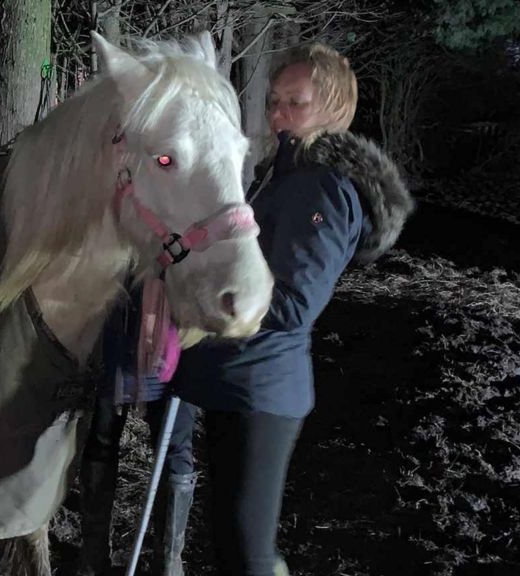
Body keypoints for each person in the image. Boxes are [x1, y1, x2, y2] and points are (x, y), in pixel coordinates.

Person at [172, 42, 415, 576]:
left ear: (334, 108)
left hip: (260, 389)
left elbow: (292, 304)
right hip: (232, 378)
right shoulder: (283, 175)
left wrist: (200, 308)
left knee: (247, 553)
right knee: (229, 544)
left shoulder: (323, 188)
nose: (279, 113)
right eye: (275, 101)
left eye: (295, 102)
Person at [75, 287, 199, 576]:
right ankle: (93, 558)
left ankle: (168, 562)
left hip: (174, 333)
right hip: (114, 325)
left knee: (174, 448)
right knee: (100, 439)